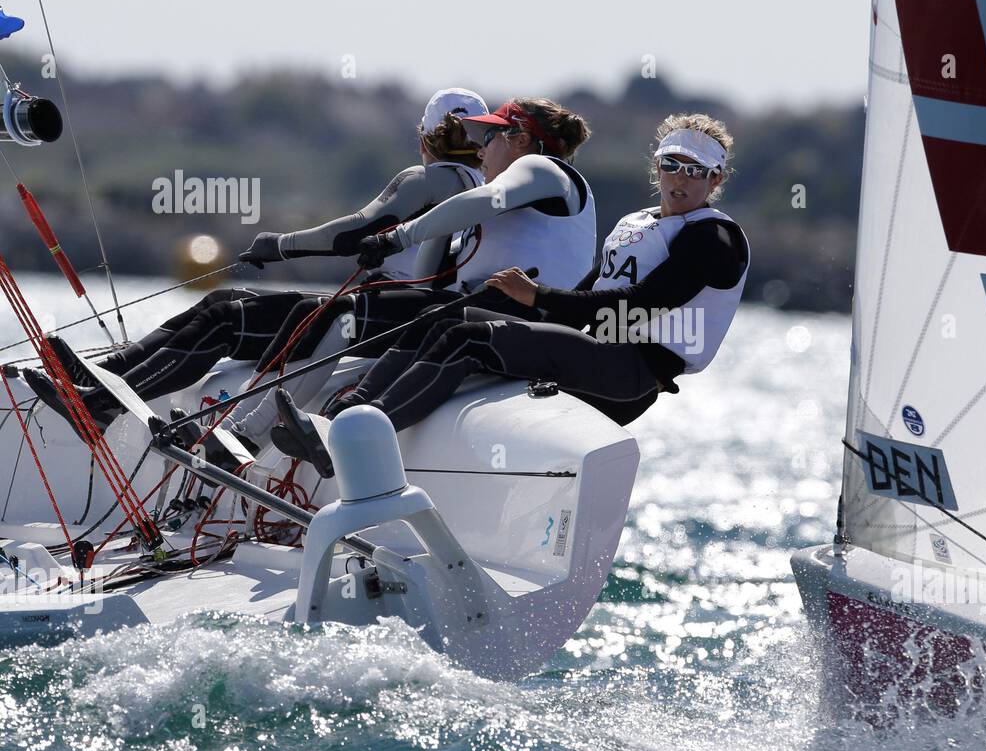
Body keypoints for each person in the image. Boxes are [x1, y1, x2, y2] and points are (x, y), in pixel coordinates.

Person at [274, 113, 749, 475]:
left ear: (716, 179)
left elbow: (642, 305)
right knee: (444, 322)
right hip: (598, 353)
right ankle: (341, 420)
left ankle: (356, 444)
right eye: (672, 165)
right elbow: (588, 295)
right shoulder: (636, 223)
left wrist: (537, 296)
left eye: (696, 170)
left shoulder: (714, 239)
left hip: (633, 373)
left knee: (473, 341)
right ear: (659, 168)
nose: (681, 178)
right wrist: (530, 306)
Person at [23, 87, 490, 444]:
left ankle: (102, 406)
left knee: (224, 319)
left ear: (425, 135)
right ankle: (103, 372)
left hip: (372, 320)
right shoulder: (484, 186)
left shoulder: (428, 178)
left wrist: (279, 245)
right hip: (391, 319)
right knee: (223, 300)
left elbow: (349, 233)